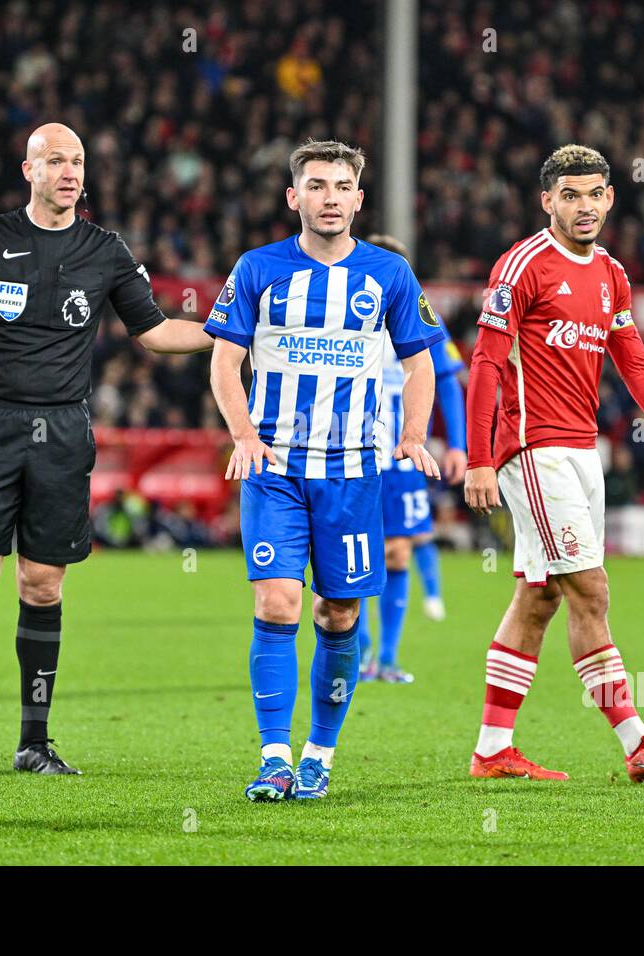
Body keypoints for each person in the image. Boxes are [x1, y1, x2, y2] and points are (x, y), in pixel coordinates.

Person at [0, 122, 213, 775]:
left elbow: (153, 333)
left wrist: (234, 332)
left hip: (64, 432)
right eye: (56, 162)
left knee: (42, 587)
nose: (70, 172)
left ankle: (34, 743)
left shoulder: (105, 250)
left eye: (77, 161)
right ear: (29, 170)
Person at [463, 144, 644, 783]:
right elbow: (487, 364)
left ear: (611, 198)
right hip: (533, 451)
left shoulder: (611, 274)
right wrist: (477, 459)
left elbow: (635, 365)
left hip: (582, 453)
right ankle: (638, 743)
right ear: (547, 200)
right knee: (592, 589)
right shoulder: (522, 266)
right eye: (570, 196)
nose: (585, 207)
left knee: (540, 596)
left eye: (595, 195)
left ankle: (492, 750)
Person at [207, 139, 443, 800]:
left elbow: (420, 360)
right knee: (277, 600)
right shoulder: (256, 268)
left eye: (342, 186)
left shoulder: (389, 275)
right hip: (274, 465)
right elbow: (225, 361)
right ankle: (274, 757)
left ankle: (319, 754)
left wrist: (413, 432)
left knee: (338, 613)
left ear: (359, 199)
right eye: (316, 185)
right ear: (294, 197)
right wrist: (244, 433)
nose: (330, 197)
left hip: (354, 472)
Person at [355, 233, 467, 684]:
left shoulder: (421, 318)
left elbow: (448, 380)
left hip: (400, 457)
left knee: (399, 553)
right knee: (356, 557)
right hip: (351, 453)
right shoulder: (344, 310)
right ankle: (360, 657)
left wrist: (457, 444)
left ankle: (388, 658)